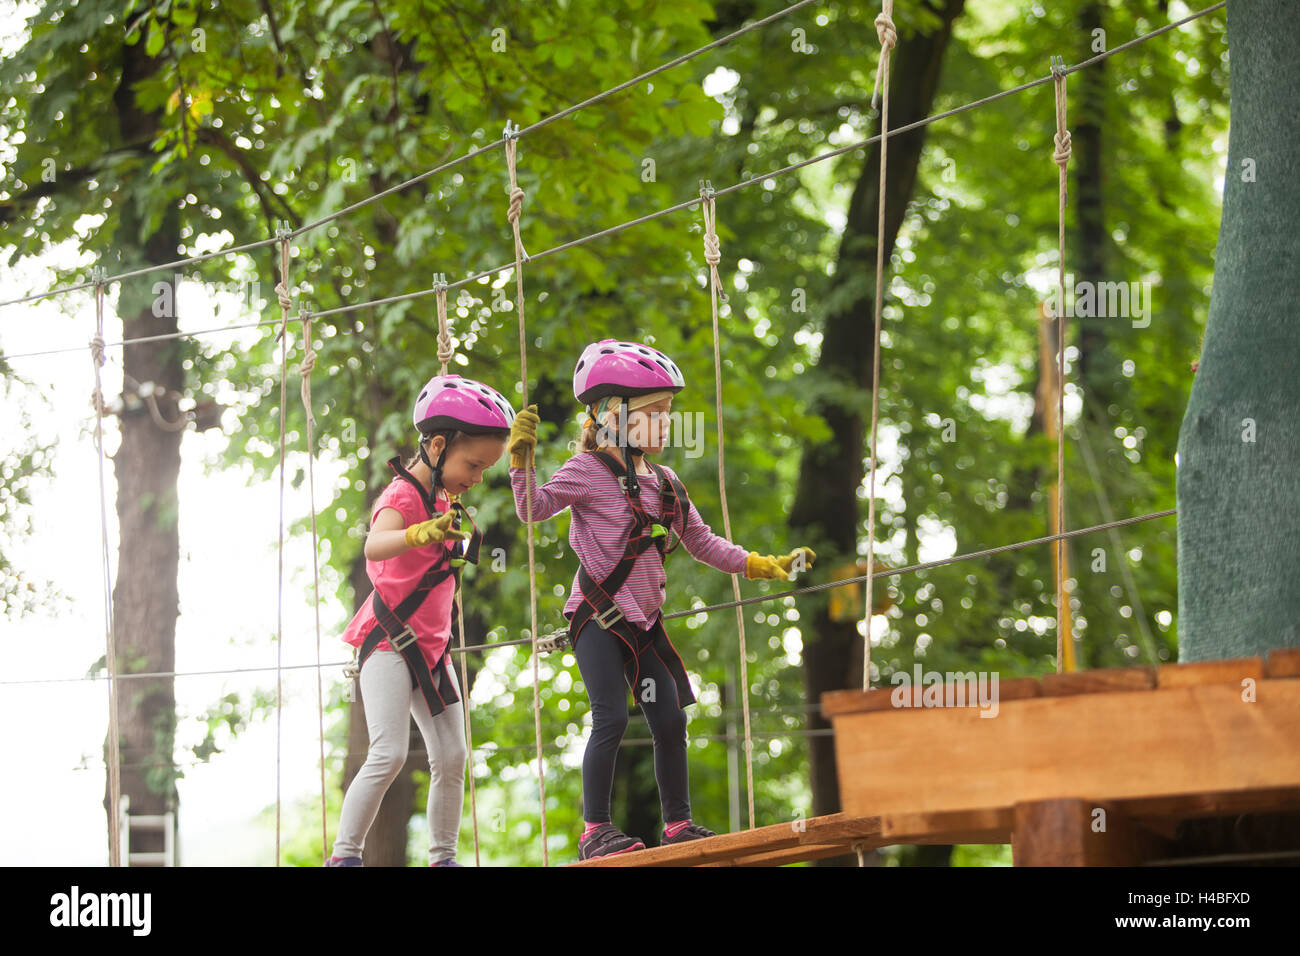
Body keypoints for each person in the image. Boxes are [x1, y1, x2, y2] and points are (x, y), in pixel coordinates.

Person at [508, 339, 815, 860]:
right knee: (609, 715)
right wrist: (522, 461)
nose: (666, 423)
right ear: (612, 416)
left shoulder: (668, 484)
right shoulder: (585, 472)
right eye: (655, 413)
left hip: (643, 625)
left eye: (668, 412)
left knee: (670, 720)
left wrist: (759, 564)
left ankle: (677, 824)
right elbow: (532, 509)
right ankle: (596, 832)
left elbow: (702, 543)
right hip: (597, 619)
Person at [326, 374, 514, 867]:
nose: (476, 478)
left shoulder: (444, 501)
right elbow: (375, 544)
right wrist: (419, 533)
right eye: (472, 465)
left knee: (452, 758)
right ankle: (344, 856)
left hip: (432, 651)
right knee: (387, 753)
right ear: (436, 444)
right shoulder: (403, 496)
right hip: (389, 644)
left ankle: (443, 858)